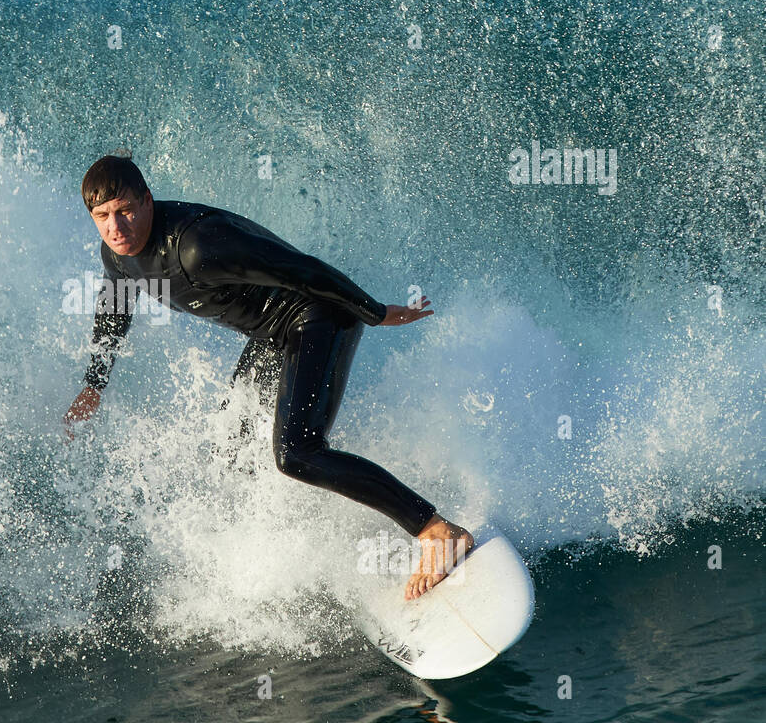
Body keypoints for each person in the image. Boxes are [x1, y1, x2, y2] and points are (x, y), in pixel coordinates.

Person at [62, 155, 473, 600]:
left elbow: (299, 268)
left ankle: (435, 530)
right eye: (101, 217)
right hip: (272, 334)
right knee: (230, 446)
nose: (115, 226)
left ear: (146, 200)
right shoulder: (118, 255)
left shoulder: (196, 247)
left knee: (296, 452)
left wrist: (374, 312)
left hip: (317, 315)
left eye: (123, 210)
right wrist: (95, 383)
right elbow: (116, 301)